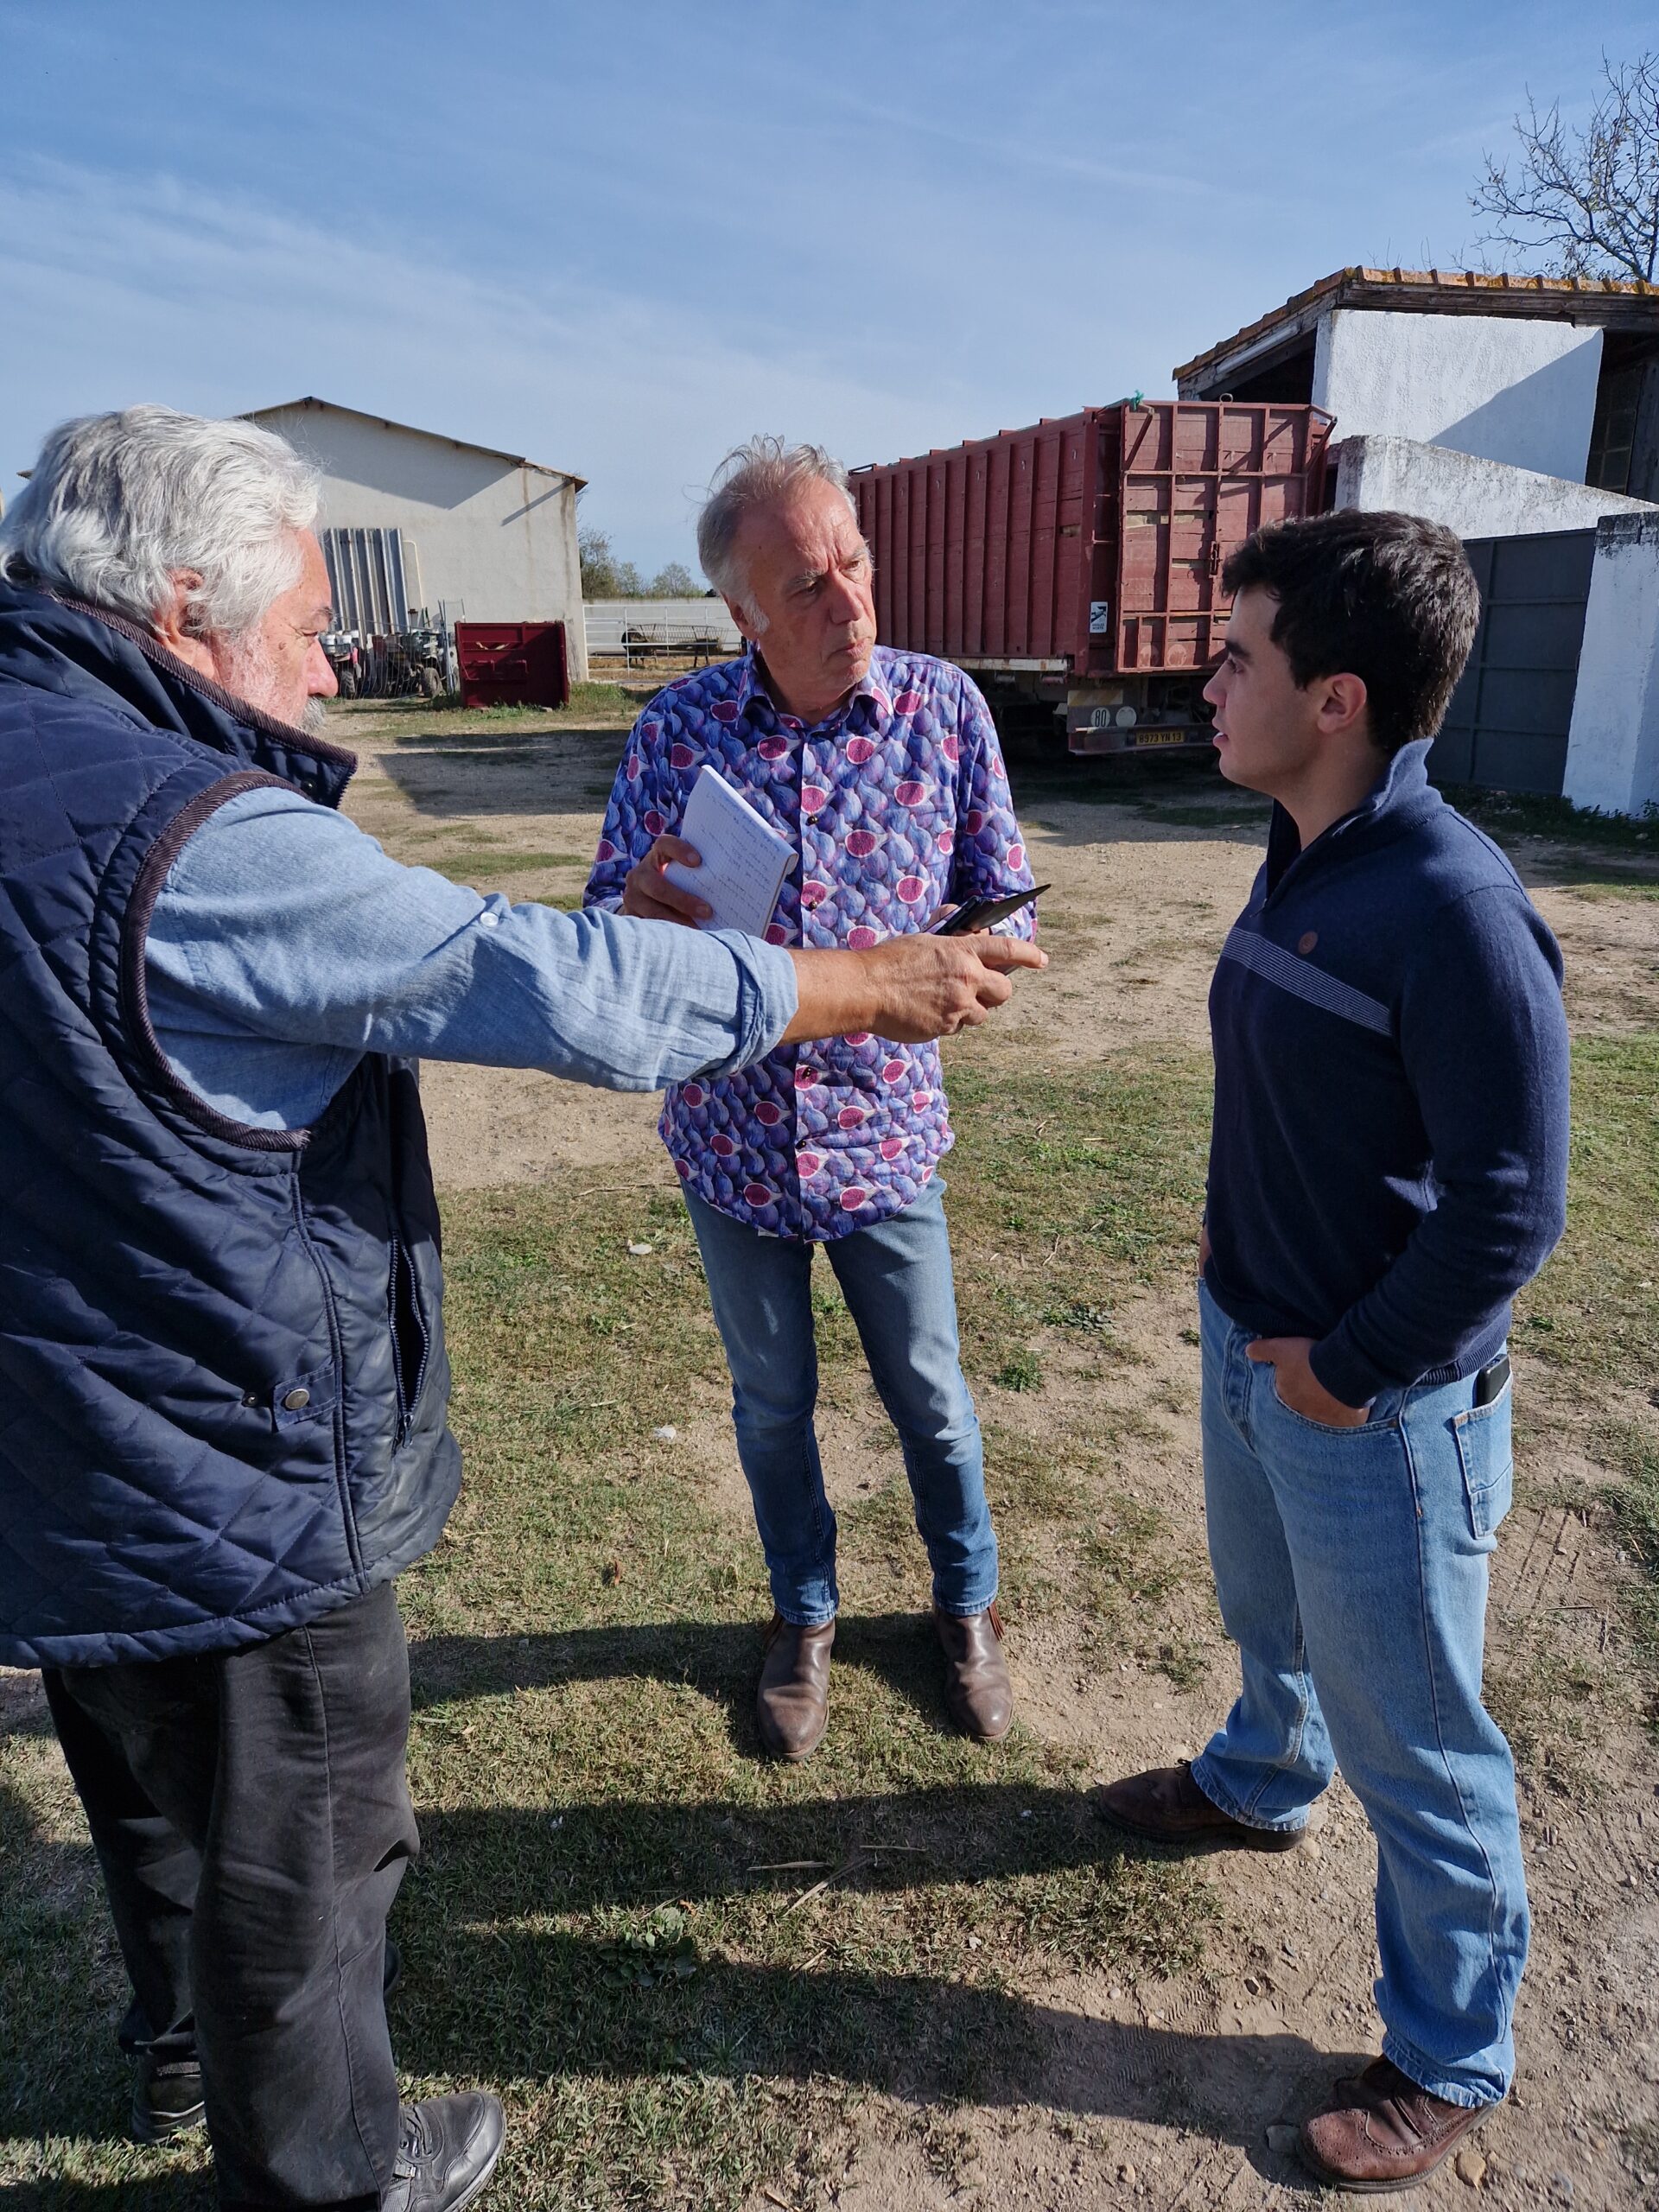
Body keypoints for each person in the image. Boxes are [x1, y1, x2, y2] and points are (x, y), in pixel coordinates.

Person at [0, 406, 1044, 2212]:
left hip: (69, 1450)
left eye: (854, 563)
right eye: (311, 621)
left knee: (155, 1776)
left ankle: (182, 2041)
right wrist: (845, 978)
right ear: (183, 604)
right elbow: (535, 970)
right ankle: (324, 2165)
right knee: (307, 1845)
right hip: (227, 1456)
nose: (332, 664)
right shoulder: (191, 823)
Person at [1095, 509, 1570, 2192]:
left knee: (1424, 1739)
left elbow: (1510, 1211)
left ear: (1340, 697)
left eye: (1238, 657)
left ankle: (1450, 2051)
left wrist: (1346, 1365)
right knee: (1263, 1609)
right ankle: (1260, 1772)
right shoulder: (1304, 849)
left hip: (1372, 1399)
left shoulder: (1456, 907)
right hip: (1258, 1338)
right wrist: (1239, 1271)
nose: (1206, 681)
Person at [584, 437, 1039, 1763]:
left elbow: (996, 889)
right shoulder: (677, 730)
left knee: (933, 1399)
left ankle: (968, 1606)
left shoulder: (946, 710)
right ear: (740, 613)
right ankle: (804, 1613)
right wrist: (636, 908)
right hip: (733, 1145)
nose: (846, 604)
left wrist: (987, 958)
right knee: (772, 1403)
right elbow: (612, 922)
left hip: (887, 1135)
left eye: (852, 565)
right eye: (804, 588)